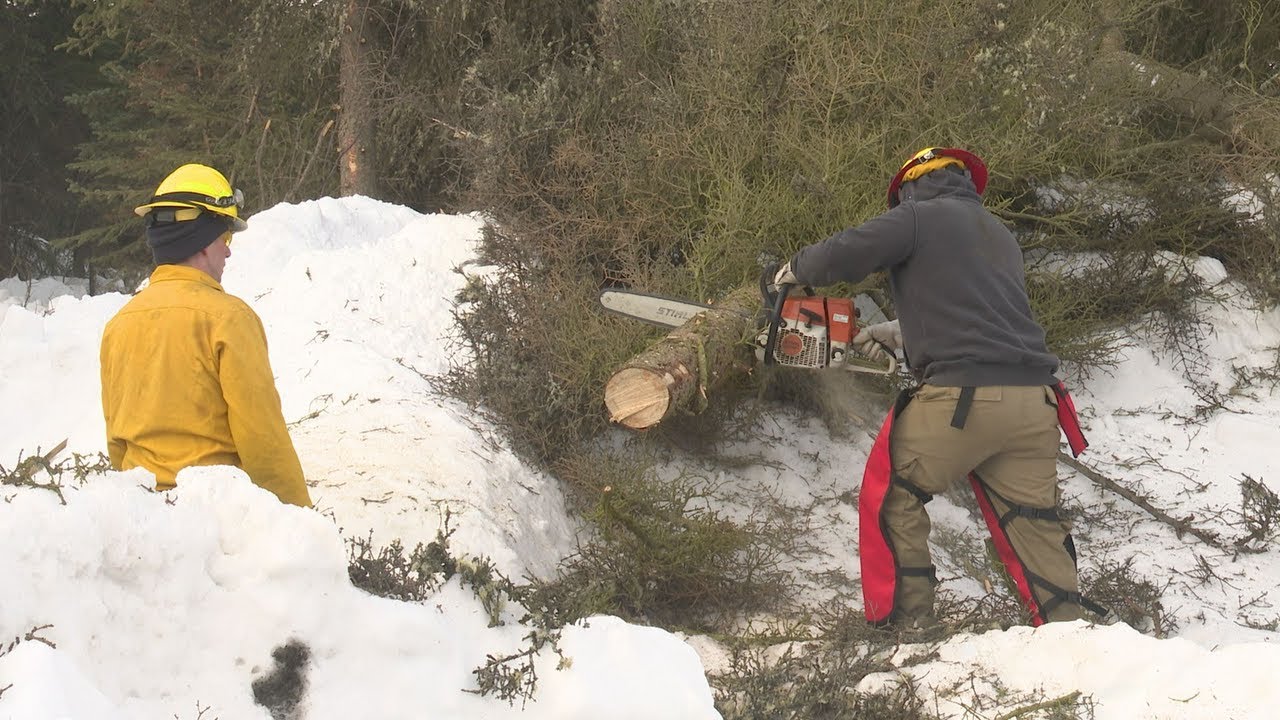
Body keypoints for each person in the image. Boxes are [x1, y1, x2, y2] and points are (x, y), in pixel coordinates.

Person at [773, 147, 1100, 628]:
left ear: (908, 187)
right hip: (1035, 403)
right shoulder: (998, 234)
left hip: (966, 400)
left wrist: (794, 271)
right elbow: (982, 312)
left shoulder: (918, 216)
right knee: (1033, 522)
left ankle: (909, 626)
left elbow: (850, 248)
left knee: (893, 493)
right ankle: (1071, 634)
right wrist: (903, 334)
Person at [99, 163, 312, 508]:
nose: (228, 250)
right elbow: (262, 439)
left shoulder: (119, 325)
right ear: (199, 242)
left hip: (140, 517)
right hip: (215, 520)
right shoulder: (229, 320)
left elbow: (117, 442)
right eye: (224, 237)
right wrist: (300, 519)